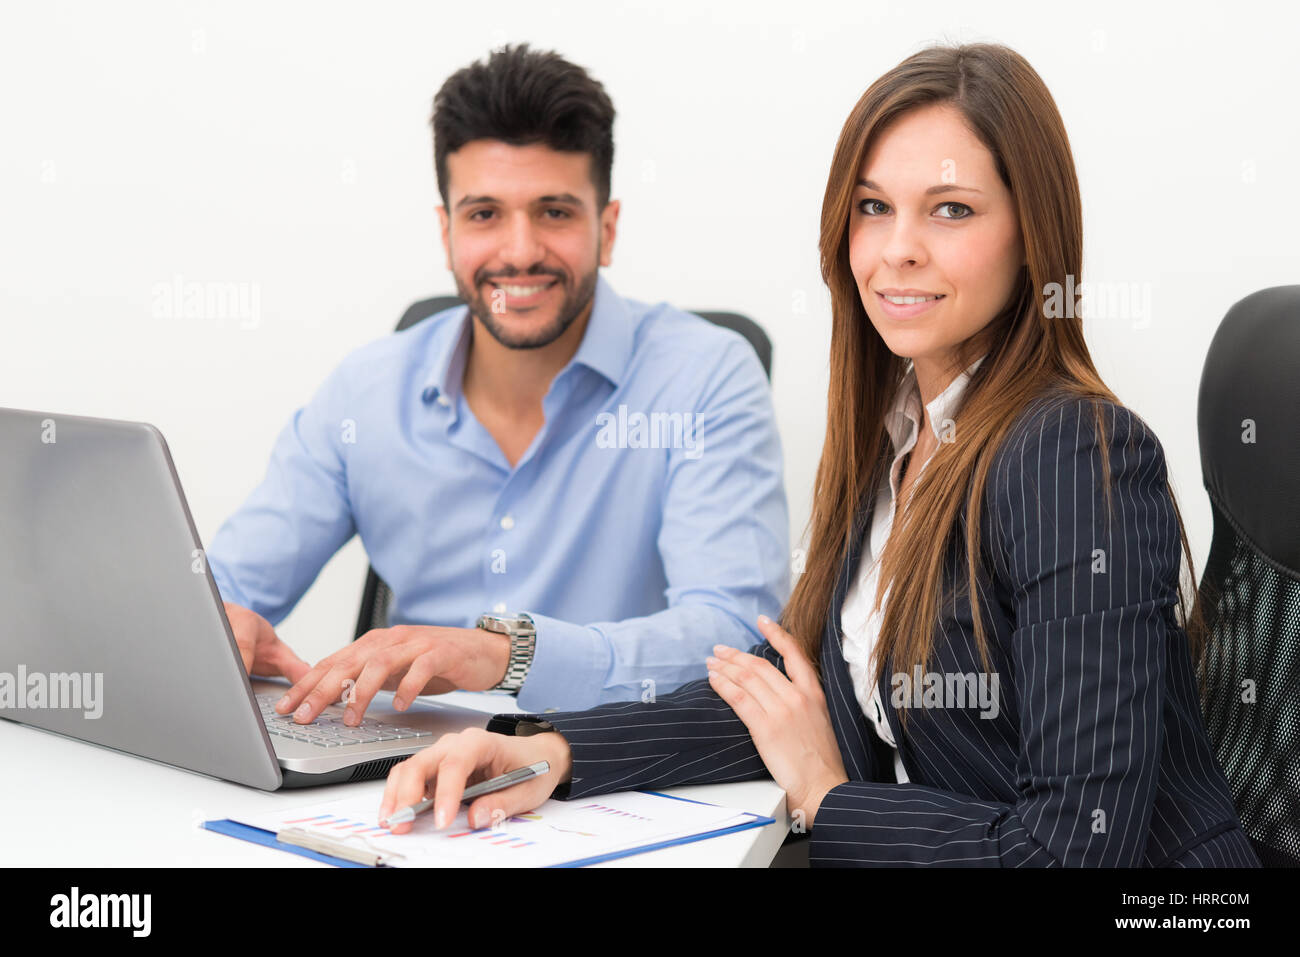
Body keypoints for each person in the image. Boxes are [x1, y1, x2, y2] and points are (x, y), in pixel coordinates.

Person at [378, 42, 1260, 867]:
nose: (897, 247)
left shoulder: (1075, 454)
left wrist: (828, 797)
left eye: (951, 210)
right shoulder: (900, 433)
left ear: (1034, 235)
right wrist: (549, 749)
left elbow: (1070, 849)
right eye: (873, 207)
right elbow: (789, 702)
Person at [206, 44, 789, 720]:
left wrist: (506, 653)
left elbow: (736, 636)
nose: (519, 251)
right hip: (394, 777)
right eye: (484, 213)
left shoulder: (706, 377)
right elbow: (223, 589)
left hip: (608, 773)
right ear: (446, 231)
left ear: (608, 227)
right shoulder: (365, 392)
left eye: (555, 212)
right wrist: (220, 622)